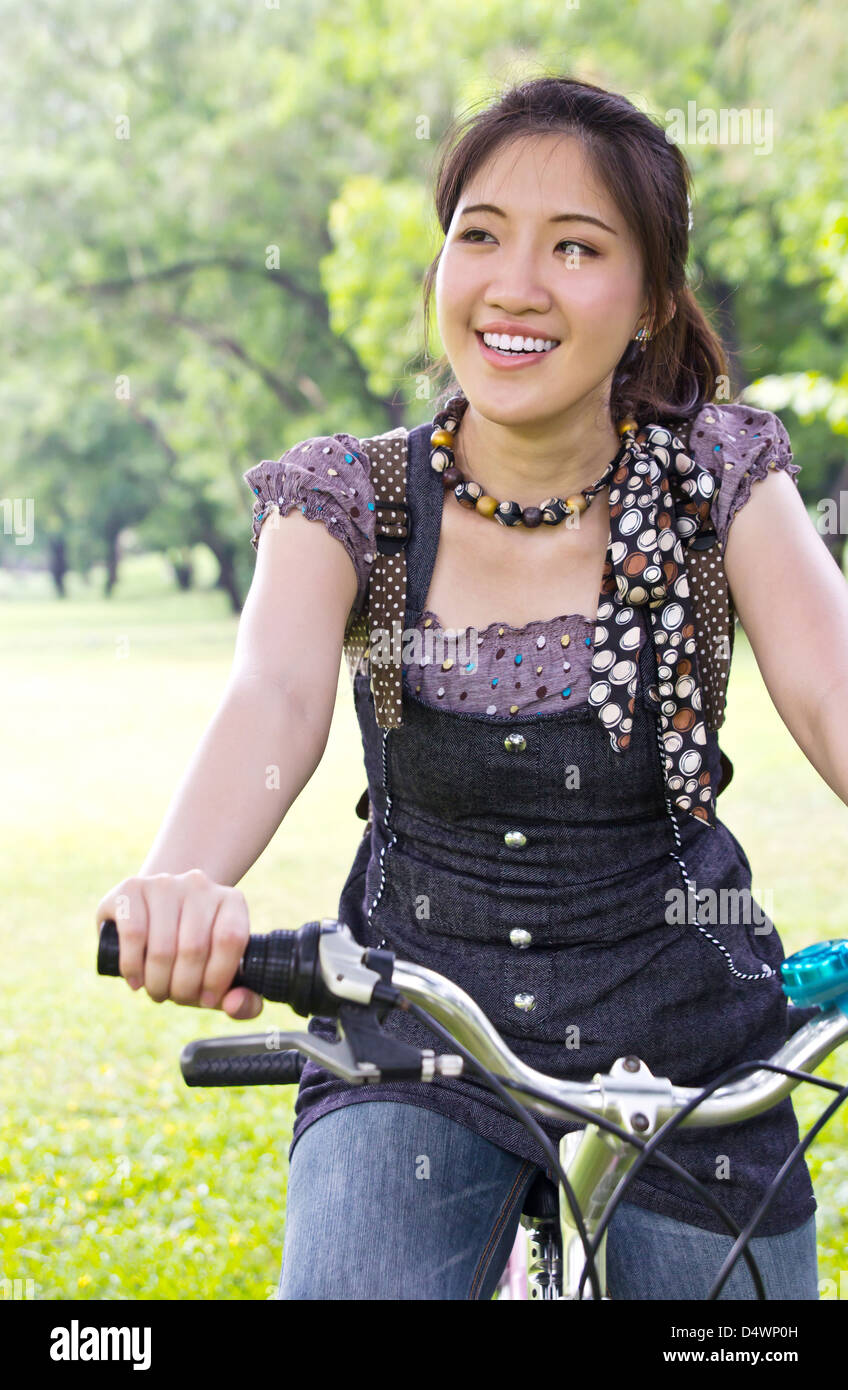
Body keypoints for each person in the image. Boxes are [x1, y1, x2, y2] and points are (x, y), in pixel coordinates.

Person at [95, 76, 848, 1300]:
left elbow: (829, 689)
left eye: (576, 247)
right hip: (411, 1029)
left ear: (651, 296)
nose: (514, 284)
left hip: (688, 1034)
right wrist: (185, 879)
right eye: (479, 234)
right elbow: (272, 701)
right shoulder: (346, 496)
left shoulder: (721, 473)